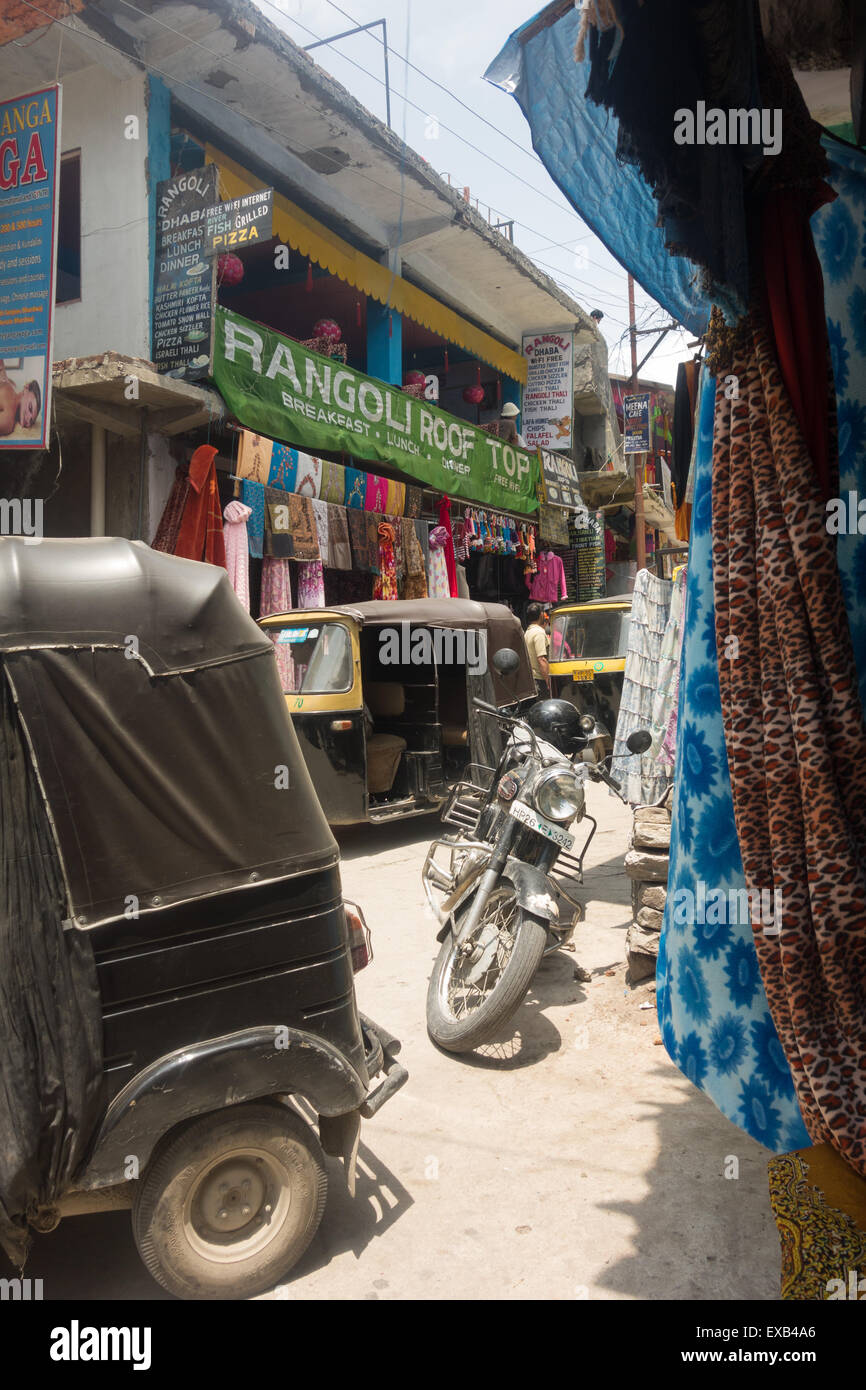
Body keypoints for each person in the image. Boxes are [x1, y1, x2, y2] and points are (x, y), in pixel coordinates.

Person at [0, 363, 41, 437]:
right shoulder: (8, 422)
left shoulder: (12, 384)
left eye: (31, 421)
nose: (28, 420)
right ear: (26, 387)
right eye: (30, 408)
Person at [524, 601, 550, 699]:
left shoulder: (528, 632)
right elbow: (541, 659)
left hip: (532, 680)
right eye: (544, 612)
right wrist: (548, 682)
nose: (545, 614)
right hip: (541, 680)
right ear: (540, 615)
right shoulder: (539, 633)